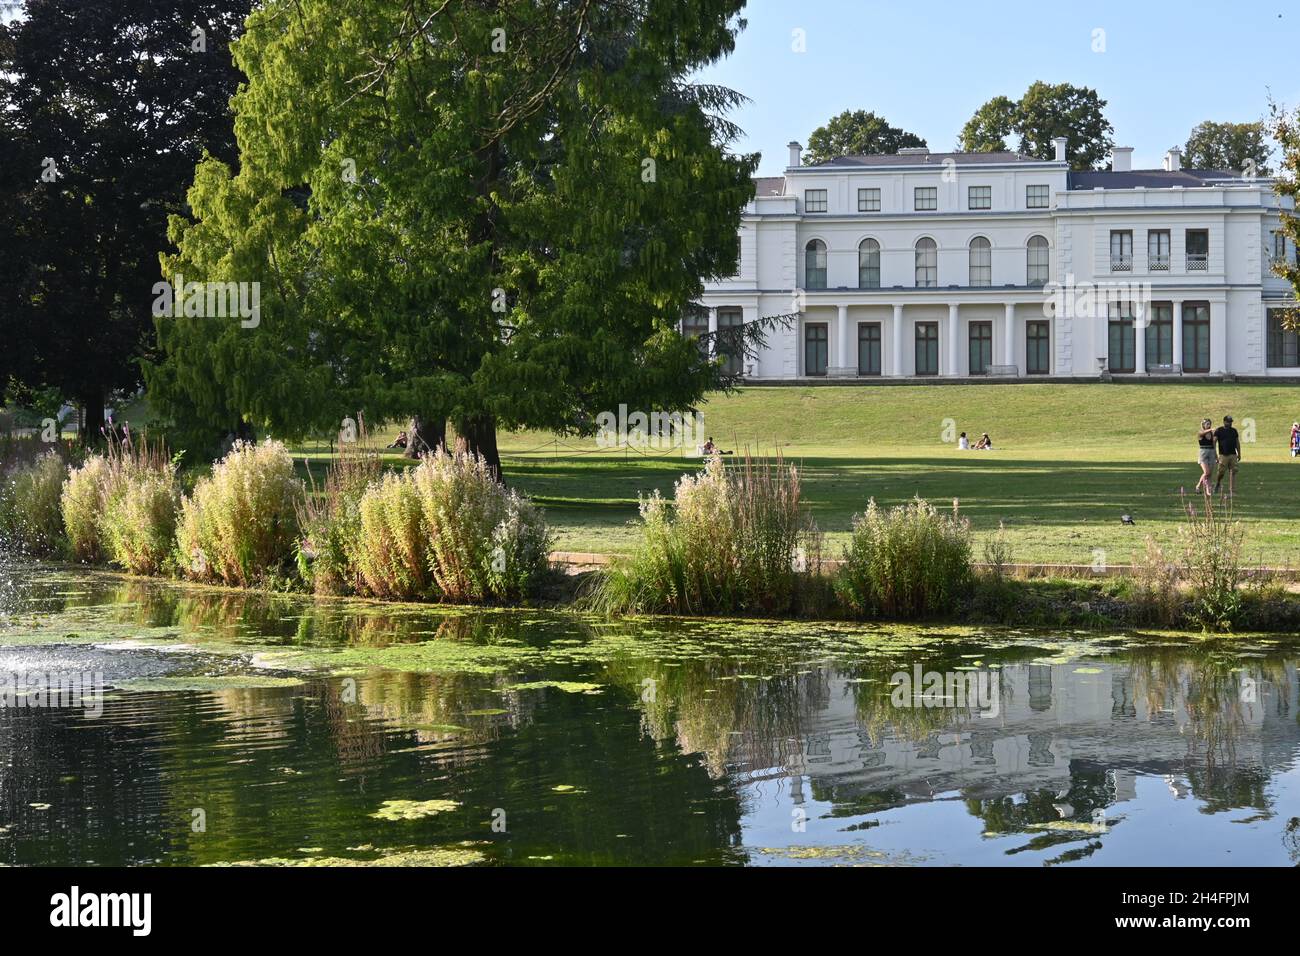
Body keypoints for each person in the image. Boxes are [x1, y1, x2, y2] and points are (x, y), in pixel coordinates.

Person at [1213, 415, 1241, 497]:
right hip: (1223, 455)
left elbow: (1237, 442)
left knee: (1233, 472)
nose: (1230, 423)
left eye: (1231, 422)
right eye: (1228, 422)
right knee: (1221, 472)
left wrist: (1239, 453)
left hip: (1233, 454)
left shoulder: (1234, 431)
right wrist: (1215, 455)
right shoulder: (1219, 430)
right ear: (1224, 421)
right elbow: (1214, 442)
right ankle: (1217, 483)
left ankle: (1232, 490)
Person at [1194, 418, 1216, 495]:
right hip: (1203, 452)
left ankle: (1208, 490)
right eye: (1207, 424)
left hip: (1211, 452)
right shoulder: (1201, 432)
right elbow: (1202, 433)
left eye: (1209, 424)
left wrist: (1216, 455)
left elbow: (1213, 444)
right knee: (1206, 472)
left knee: (1210, 474)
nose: (1209, 425)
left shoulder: (1211, 434)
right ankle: (1198, 485)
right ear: (1203, 425)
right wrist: (1211, 430)